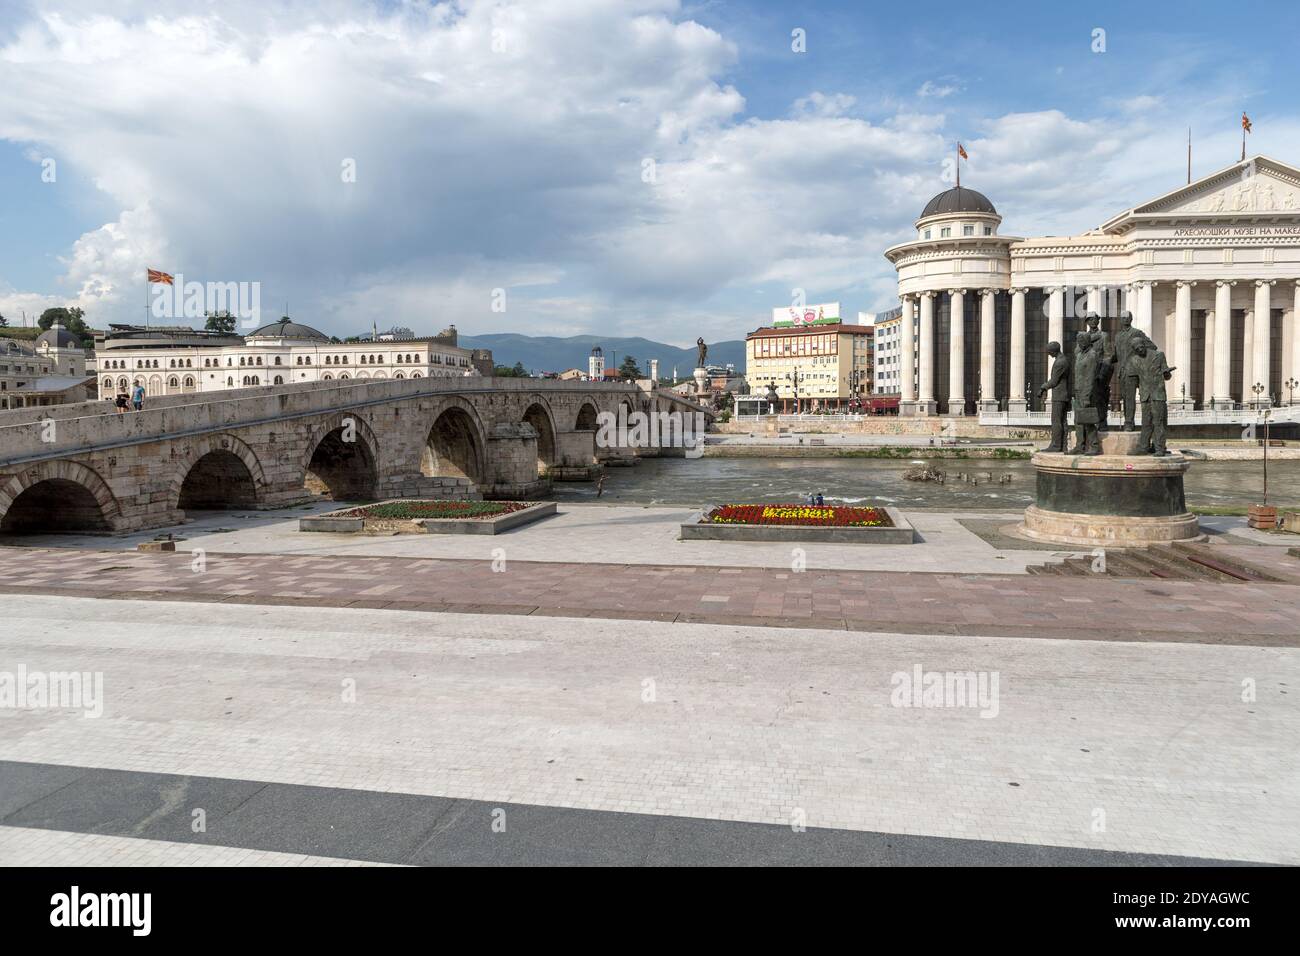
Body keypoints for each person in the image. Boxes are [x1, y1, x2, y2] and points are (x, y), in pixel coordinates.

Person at [1133, 336, 1174, 456]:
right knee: (1146, 422)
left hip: (1158, 394)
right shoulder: (1135, 360)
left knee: (1159, 421)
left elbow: (1167, 376)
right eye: (1136, 349)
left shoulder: (1159, 355)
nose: (1139, 350)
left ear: (1144, 345)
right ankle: (1144, 447)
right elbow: (1135, 378)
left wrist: (1166, 373)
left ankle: (1159, 448)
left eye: (1140, 347)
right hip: (1145, 394)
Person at [1068, 331, 1102, 456]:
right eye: (1078, 341)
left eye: (1082, 341)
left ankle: (1094, 446)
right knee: (1078, 420)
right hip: (1078, 391)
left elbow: (1090, 377)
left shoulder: (1092, 355)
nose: (1080, 343)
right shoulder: (1080, 355)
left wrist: (1087, 396)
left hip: (1087, 393)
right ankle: (1079, 446)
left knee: (1088, 420)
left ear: (1088, 341)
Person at [1038, 341, 1071, 453]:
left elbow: (1054, 381)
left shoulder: (1060, 362)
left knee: (1056, 421)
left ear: (1053, 351)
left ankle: (1056, 445)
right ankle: (1064, 446)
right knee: (1063, 421)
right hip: (1064, 394)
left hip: (1060, 395)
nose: (1048, 354)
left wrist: (1043, 387)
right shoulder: (1063, 360)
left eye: (1049, 352)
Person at [1085, 313, 1115, 432]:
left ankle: (1102, 423)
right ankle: (1090, 426)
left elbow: (1108, 354)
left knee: (1101, 398)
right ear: (1087, 322)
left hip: (1100, 370)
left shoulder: (1103, 335)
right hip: (1088, 372)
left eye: (1094, 319)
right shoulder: (1084, 337)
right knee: (1088, 398)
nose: (1092, 321)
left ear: (1098, 320)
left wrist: (1103, 372)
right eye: (1090, 320)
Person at [1112, 312, 1141, 431]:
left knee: (1130, 397)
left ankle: (1129, 422)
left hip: (1133, 370)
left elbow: (1150, 347)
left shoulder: (1136, 333)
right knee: (1125, 397)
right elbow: (1116, 354)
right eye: (1123, 318)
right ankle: (1127, 420)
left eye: (1127, 318)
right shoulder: (1118, 336)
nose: (1125, 320)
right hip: (1122, 371)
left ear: (1131, 319)